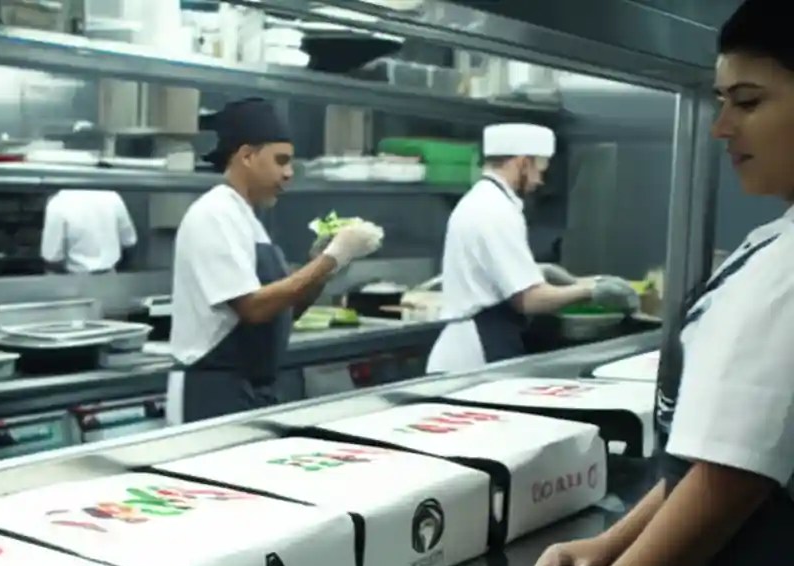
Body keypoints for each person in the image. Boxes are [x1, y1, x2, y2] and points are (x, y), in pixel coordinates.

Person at [525, 2, 794, 566]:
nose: (722, 127)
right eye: (719, 102)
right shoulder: (777, 239)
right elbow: (708, 455)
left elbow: (728, 481)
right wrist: (610, 544)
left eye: (749, 102)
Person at [166, 98, 384, 425]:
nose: (288, 173)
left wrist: (323, 266)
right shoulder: (213, 214)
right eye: (281, 161)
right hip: (211, 392)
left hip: (249, 391)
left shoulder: (248, 220)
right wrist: (330, 258)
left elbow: (283, 312)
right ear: (247, 156)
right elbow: (254, 308)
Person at [425, 123, 639, 373]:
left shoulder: (485, 200)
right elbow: (530, 300)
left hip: (479, 341)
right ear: (522, 163)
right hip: (476, 352)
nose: (540, 180)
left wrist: (548, 273)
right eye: (539, 169)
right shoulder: (494, 211)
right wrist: (591, 290)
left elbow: (488, 274)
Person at [40, 189, 138, 274]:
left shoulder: (58, 203)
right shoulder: (113, 197)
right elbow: (129, 240)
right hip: (111, 278)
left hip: (75, 280)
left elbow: (51, 255)